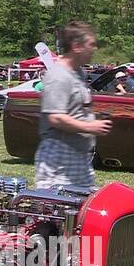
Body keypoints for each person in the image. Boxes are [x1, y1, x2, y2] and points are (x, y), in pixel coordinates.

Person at [34, 21, 112, 190]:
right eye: (91, 44)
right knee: (60, 211)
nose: (95, 49)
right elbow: (55, 118)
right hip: (59, 158)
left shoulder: (79, 73)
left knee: (85, 207)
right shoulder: (58, 75)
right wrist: (90, 127)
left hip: (80, 155)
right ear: (76, 46)